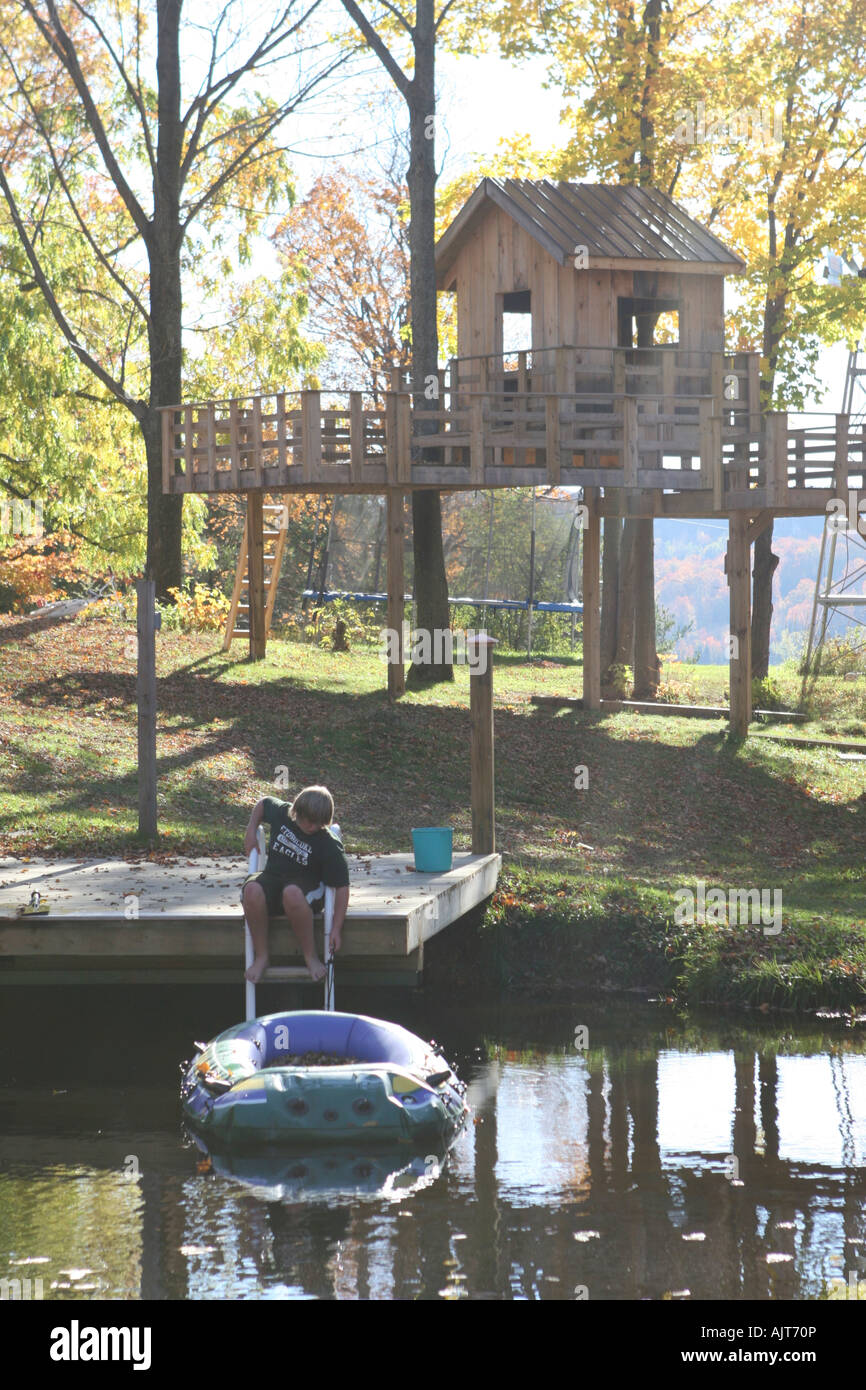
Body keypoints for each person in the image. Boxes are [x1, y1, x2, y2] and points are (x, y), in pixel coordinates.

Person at [241, 785, 349, 985]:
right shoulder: (283, 813)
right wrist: (250, 831)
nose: (312, 827)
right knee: (251, 889)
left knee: (291, 893)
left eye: (318, 823)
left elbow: (342, 887)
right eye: (308, 820)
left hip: (306, 888)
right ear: (297, 812)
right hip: (274, 877)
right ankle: (262, 956)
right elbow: (263, 804)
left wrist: (336, 928)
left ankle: (310, 957)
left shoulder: (329, 844)